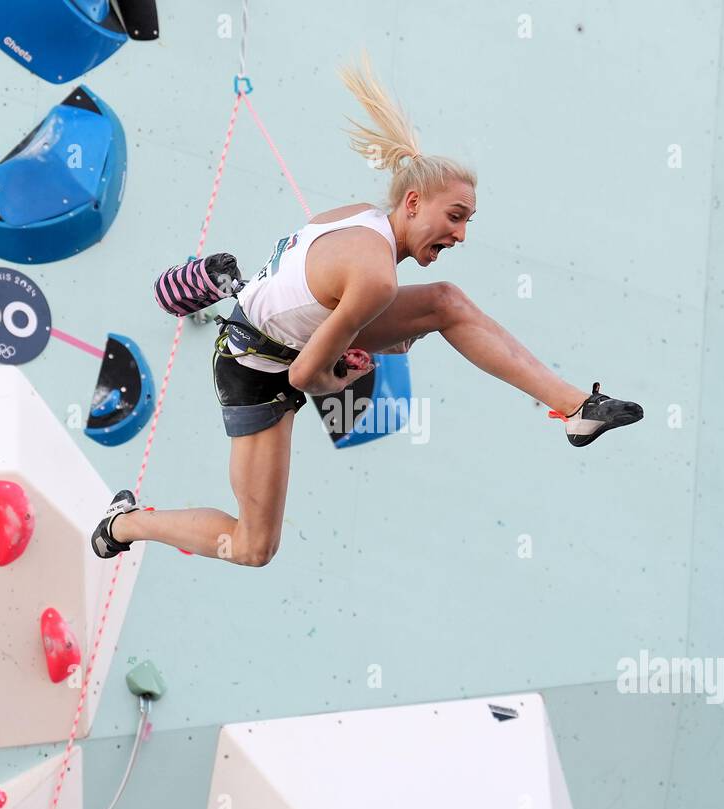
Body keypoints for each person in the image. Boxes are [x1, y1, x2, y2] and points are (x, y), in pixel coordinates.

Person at [92, 52, 642, 568]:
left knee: (445, 304)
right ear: (412, 203)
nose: (462, 234)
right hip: (256, 370)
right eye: (455, 216)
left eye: (468, 220)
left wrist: (359, 342)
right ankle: (125, 525)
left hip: (274, 331)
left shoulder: (358, 217)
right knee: (251, 546)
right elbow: (306, 374)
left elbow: (313, 294)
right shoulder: (376, 275)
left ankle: (576, 408)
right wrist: (339, 374)